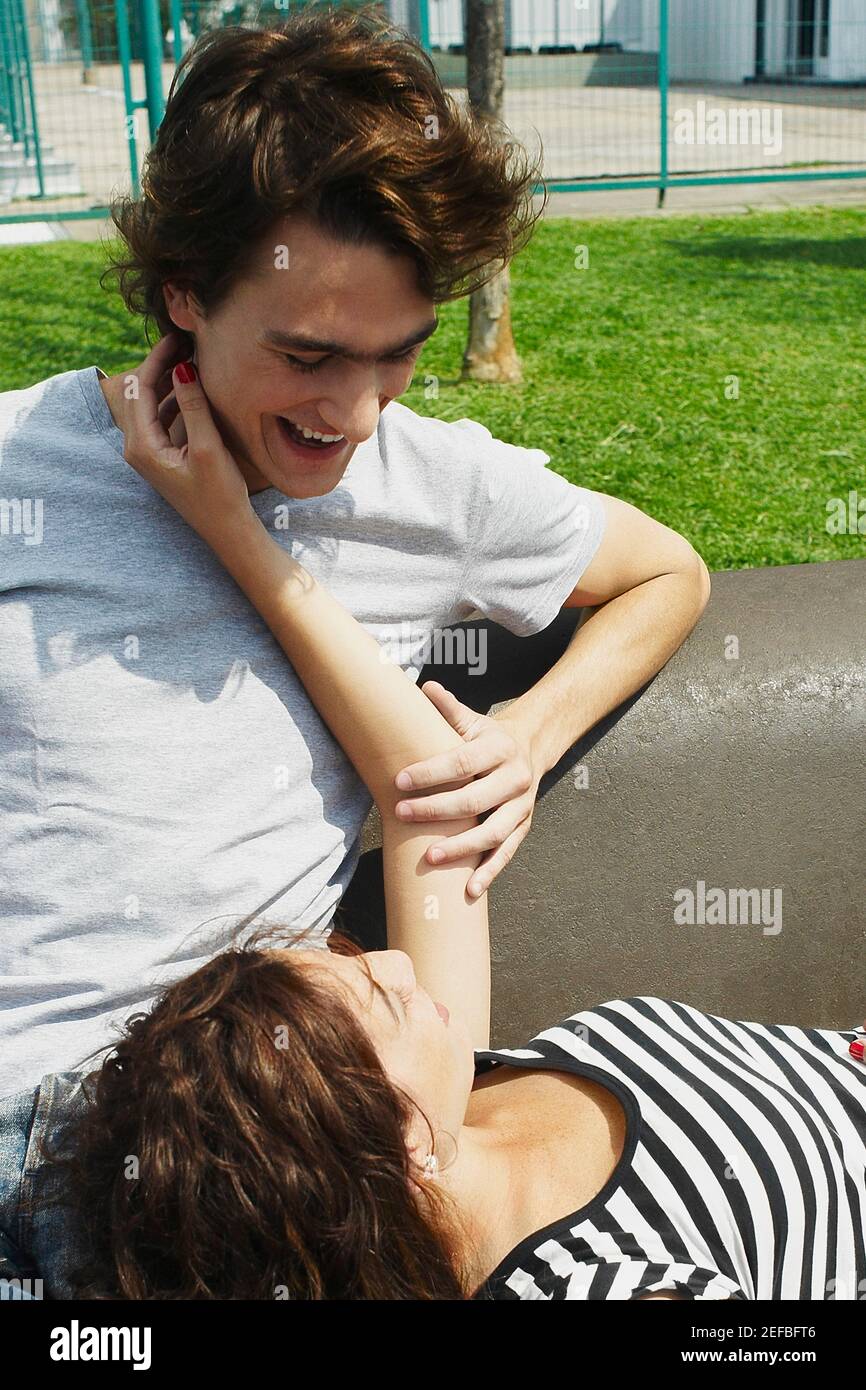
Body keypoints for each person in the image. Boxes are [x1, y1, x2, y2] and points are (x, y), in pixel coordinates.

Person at [2, 364, 864, 1302]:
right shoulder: (585, 1271)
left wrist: (234, 532)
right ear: (401, 1138)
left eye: (353, 956)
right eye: (384, 993)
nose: (400, 960)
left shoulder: (441, 1102)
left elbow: (432, 798)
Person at [0, 5, 711, 1105]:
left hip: (253, 1144)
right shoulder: (21, 463)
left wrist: (526, 733)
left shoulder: (434, 485)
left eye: (398, 356)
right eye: (307, 354)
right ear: (183, 291)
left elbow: (669, 572)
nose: (357, 413)